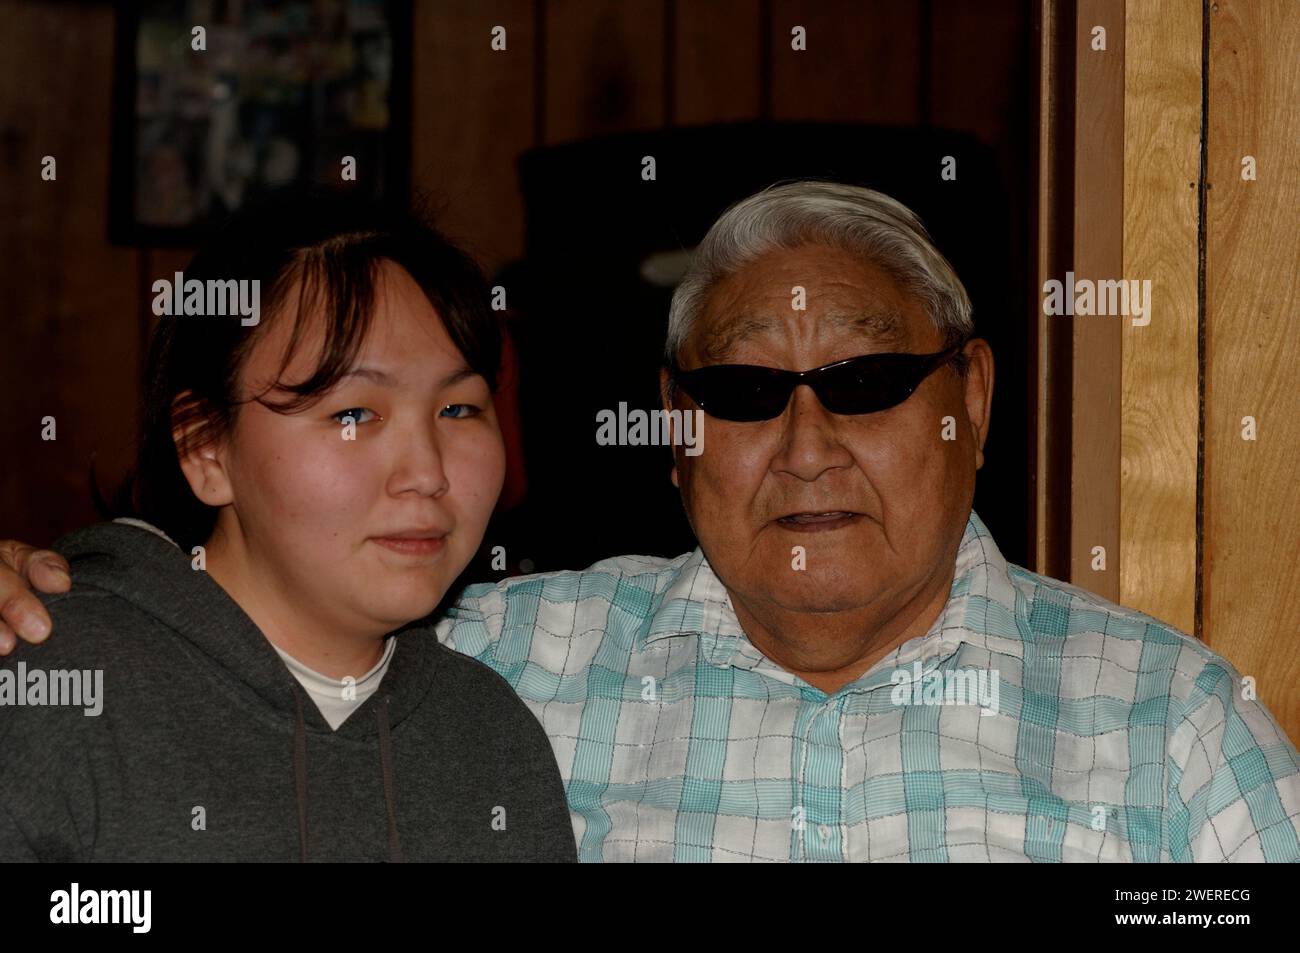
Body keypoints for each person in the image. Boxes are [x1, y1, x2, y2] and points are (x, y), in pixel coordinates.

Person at [5, 181, 1297, 862]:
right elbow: (259, 625)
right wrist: (55, 593)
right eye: (741, 394)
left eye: (864, 383)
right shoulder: (500, 674)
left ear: (972, 395)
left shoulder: (1168, 729)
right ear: (675, 431)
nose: (806, 447)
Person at [0, 192, 575, 862]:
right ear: (205, 448)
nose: (427, 471)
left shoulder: (492, 736)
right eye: (353, 413)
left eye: (458, 409)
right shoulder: (51, 680)